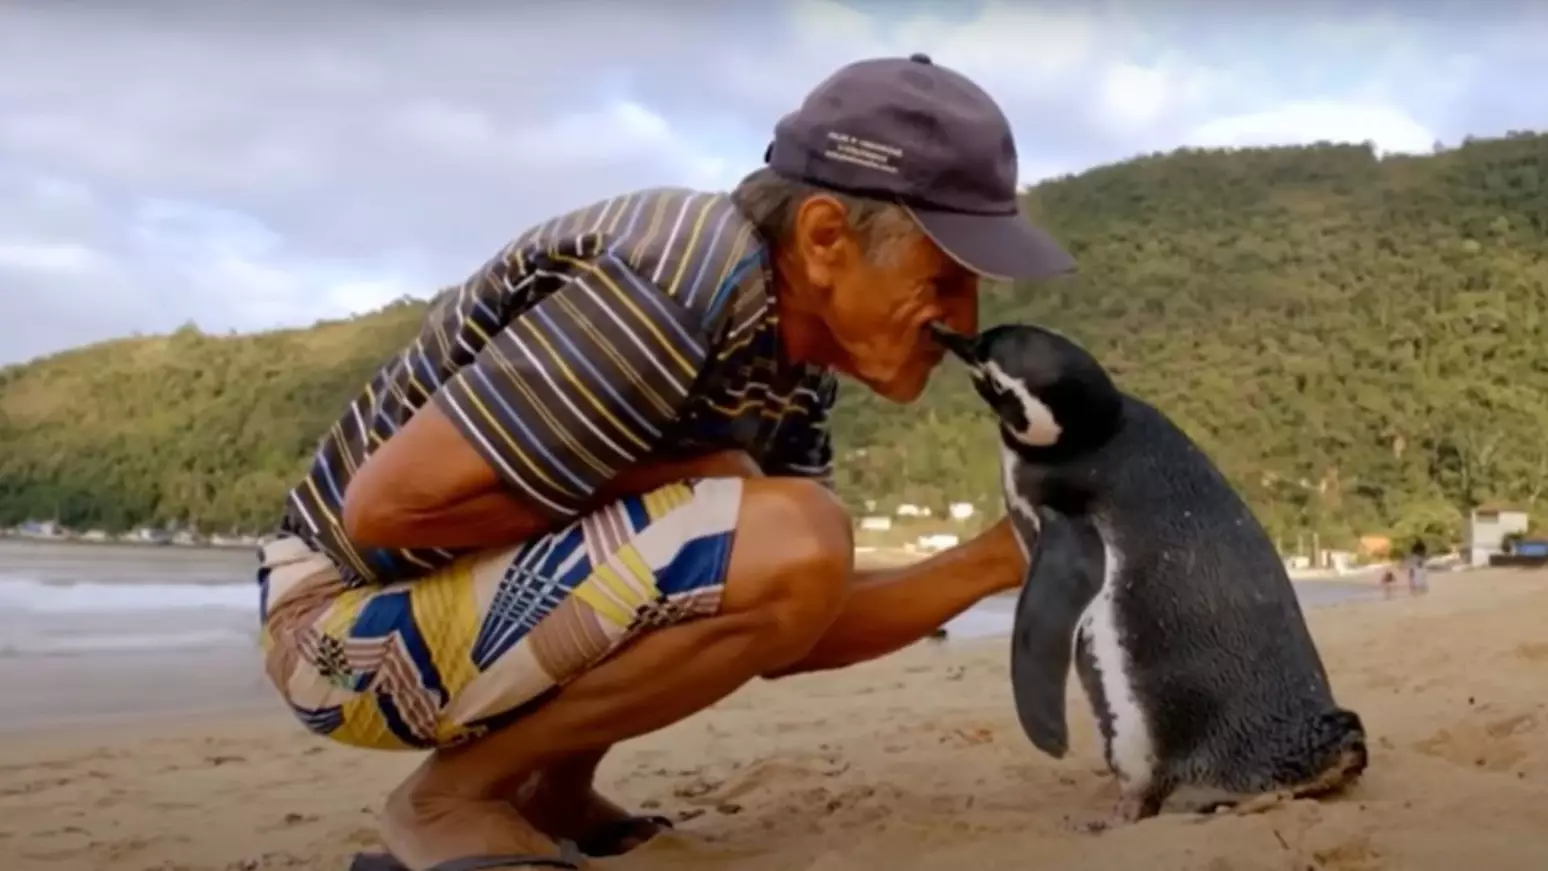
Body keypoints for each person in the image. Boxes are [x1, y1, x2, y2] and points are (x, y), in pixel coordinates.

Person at [257, 53, 1074, 871]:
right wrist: (692, 480)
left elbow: (790, 615)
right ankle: (452, 798)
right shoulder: (672, 282)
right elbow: (386, 511)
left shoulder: (791, 365)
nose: (966, 319)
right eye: (945, 277)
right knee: (782, 525)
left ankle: (552, 793)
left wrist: (1001, 556)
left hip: (437, 616)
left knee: (785, 535)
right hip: (335, 630)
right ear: (825, 238)